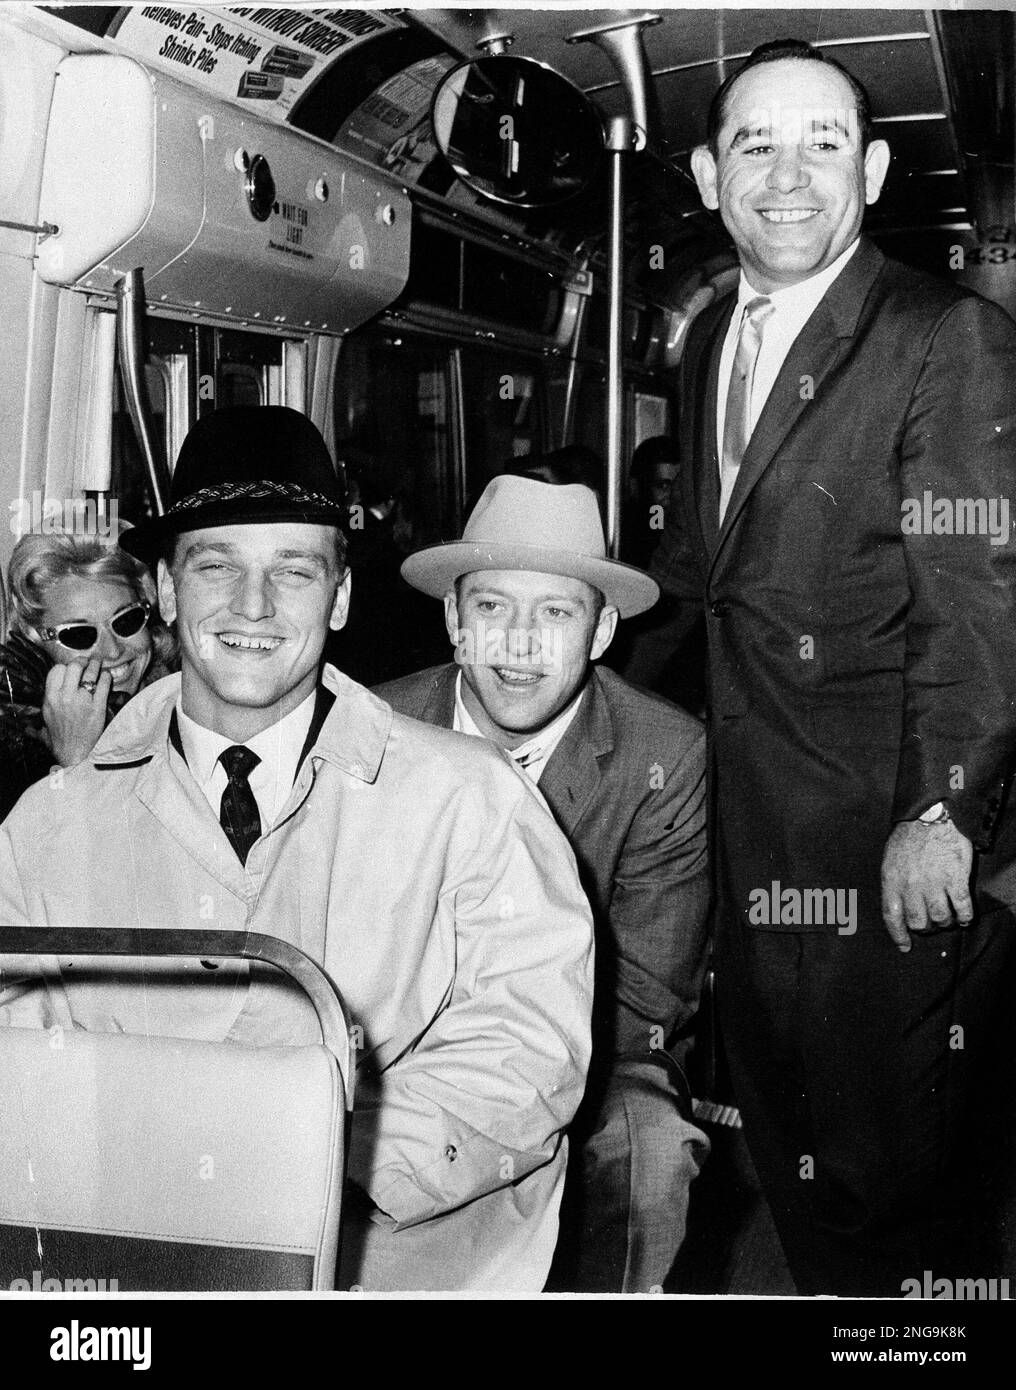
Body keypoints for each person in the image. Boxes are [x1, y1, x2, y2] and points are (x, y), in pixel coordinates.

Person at [0, 406, 594, 1293]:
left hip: (390, 1265)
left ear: (342, 597)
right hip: (129, 1269)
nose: (254, 607)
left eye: (294, 570)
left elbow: (525, 1049)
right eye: (216, 566)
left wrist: (313, 1164)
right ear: (162, 590)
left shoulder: (471, 800)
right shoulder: (51, 825)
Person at [651, 37, 1016, 1295]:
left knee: (894, 1172)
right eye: (755, 142)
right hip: (753, 832)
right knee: (789, 1133)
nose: (787, 173)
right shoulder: (709, 344)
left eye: (820, 142)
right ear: (707, 175)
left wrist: (939, 809)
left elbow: (977, 601)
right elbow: (701, 586)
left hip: (880, 840)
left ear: (867, 167)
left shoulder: (940, 337)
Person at [378, 473, 710, 1292]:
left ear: (600, 633)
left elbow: (645, 1000)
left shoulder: (663, 758)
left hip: (590, 1050)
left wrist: (500, 1100)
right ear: (454, 619)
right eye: (491, 607)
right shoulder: (373, 730)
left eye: (555, 613)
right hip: (396, 1047)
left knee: (652, 1150)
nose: (519, 642)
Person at [0, 525, 176, 820]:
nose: (113, 652)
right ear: (33, 639)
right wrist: (75, 762)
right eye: (79, 635)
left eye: (127, 620)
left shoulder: (181, 706)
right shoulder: (10, 755)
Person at [622, 436, 680, 570]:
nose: (674, 495)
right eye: (663, 486)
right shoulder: (628, 542)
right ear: (635, 488)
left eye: (679, 486)